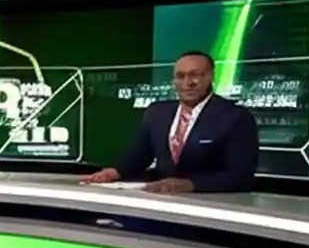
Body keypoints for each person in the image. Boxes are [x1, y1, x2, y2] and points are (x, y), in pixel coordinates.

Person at [83, 50, 258, 193]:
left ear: (211, 76)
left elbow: (240, 176)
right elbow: (139, 157)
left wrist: (189, 185)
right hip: (163, 202)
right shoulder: (157, 112)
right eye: (180, 76)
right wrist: (113, 173)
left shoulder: (235, 117)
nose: (187, 82)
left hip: (212, 207)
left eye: (195, 75)